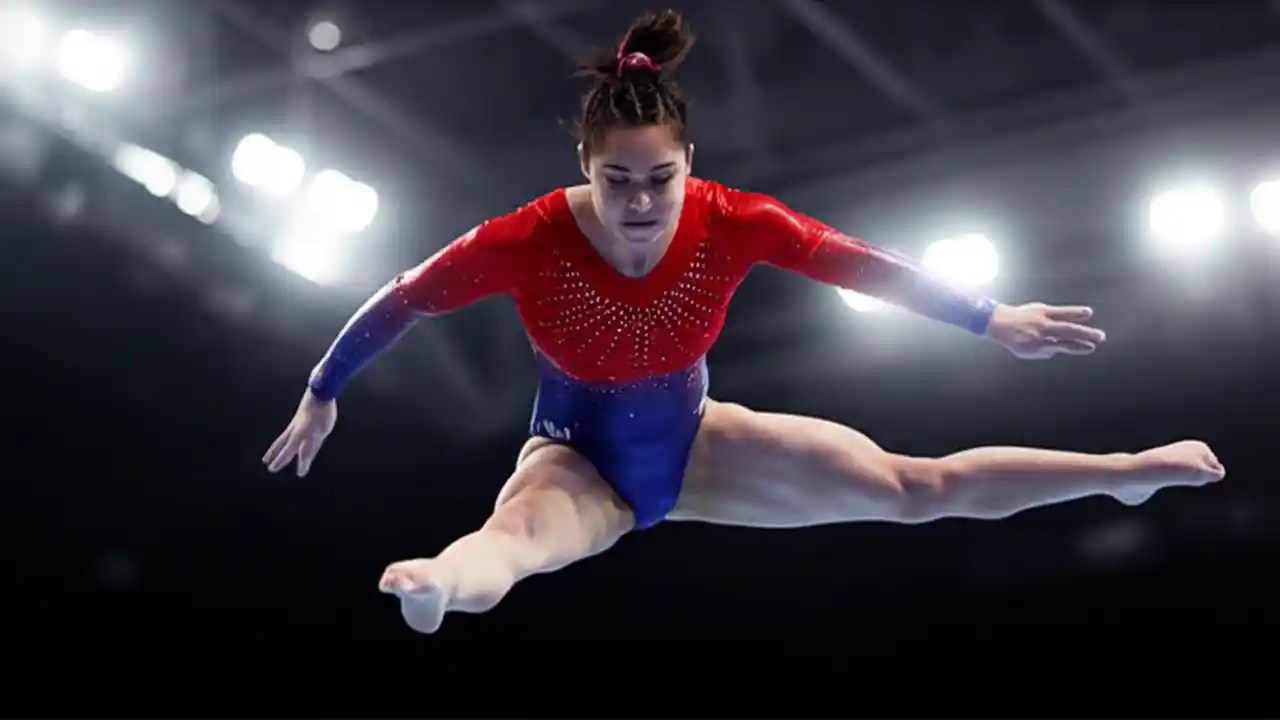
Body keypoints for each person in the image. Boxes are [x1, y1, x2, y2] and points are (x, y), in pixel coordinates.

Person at [261, 9, 1225, 634]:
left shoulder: (736, 220)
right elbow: (404, 297)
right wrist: (322, 389)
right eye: (617, 180)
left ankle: (1122, 475)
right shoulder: (527, 238)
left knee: (913, 486)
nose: (641, 202)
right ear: (585, 167)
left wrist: (991, 318)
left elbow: (860, 264)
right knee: (511, 541)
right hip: (577, 457)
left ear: (690, 161)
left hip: (699, 439)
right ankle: (435, 585)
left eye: (661, 178)